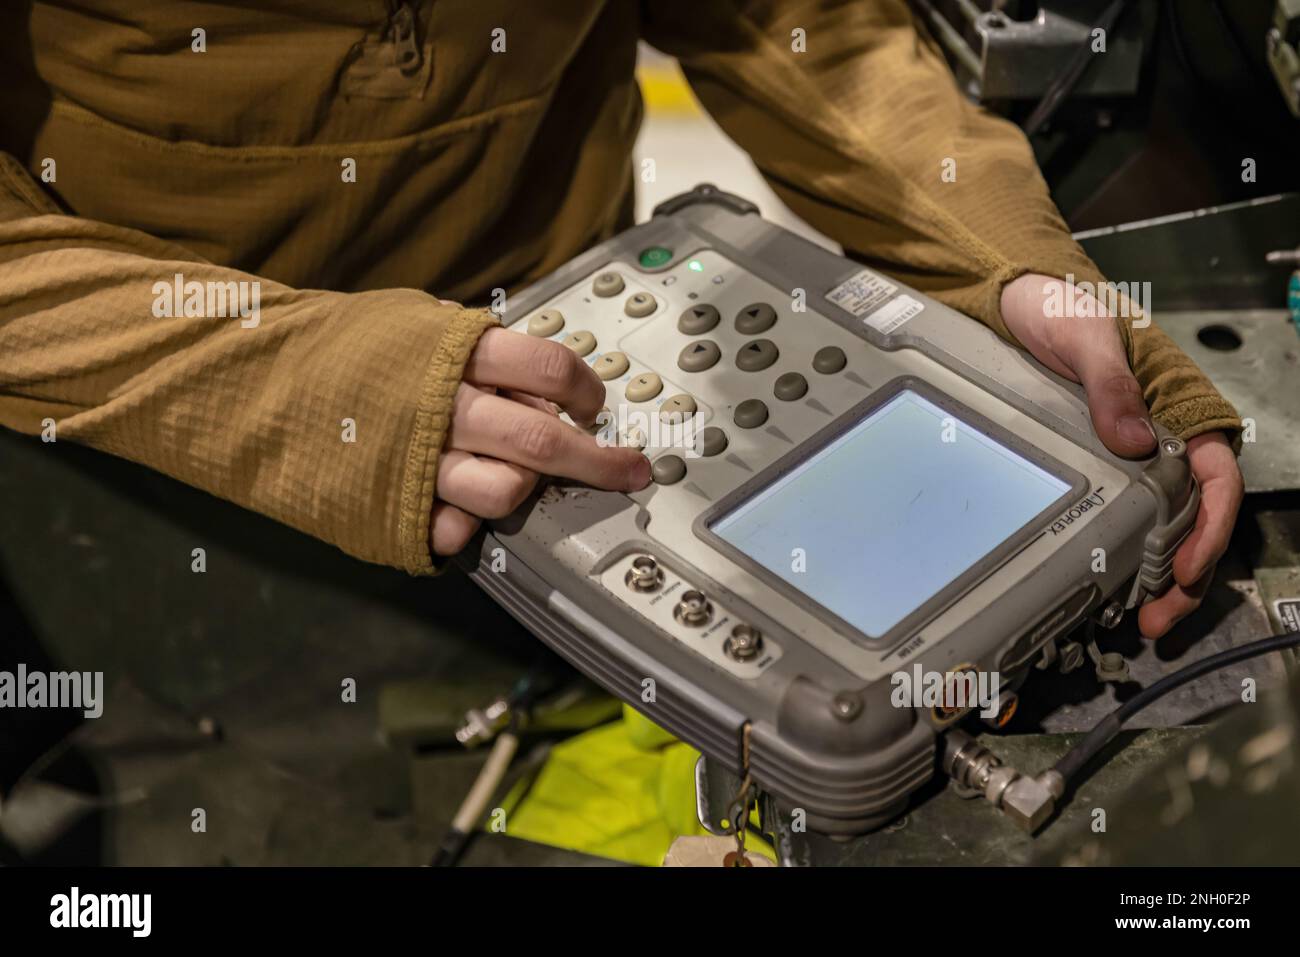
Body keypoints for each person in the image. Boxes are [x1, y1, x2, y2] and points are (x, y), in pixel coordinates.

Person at [0, 1, 1242, 640]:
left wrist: (1003, 261)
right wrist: (292, 388)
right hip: (148, 446)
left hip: (577, 373)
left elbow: (785, 22)